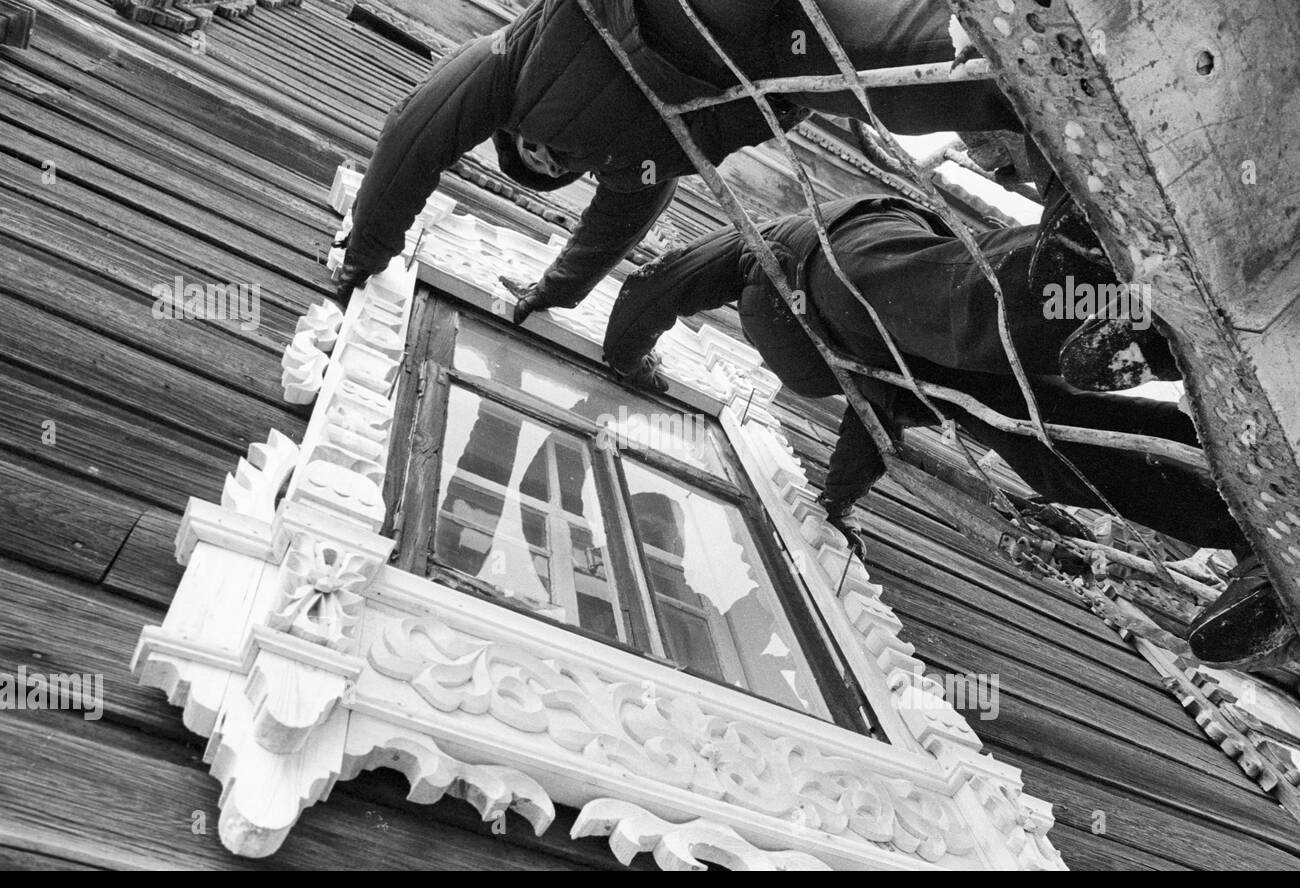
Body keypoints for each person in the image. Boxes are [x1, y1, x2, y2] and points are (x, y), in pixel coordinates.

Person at [600, 194, 1294, 668]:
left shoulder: (753, 246)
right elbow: (868, 421)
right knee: (1052, 448)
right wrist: (835, 502)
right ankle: (1253, 527)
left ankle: (1095, 279)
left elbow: (660, 285)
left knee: (963, 306)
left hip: (841, 260)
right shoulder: (844, 368)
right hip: (907, 369)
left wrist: (624, 355)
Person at [336, 0, 1026, 313]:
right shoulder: (631, 169)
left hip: (675, 12)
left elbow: (414, 139)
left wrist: (365, 254)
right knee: (930, 78)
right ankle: (1053, 61)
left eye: (530, 150)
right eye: (550, 171)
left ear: (511, 128)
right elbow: (606, 236)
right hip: (772, 56)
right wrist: (554, 293)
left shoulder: (512, 61)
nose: (546, 158)